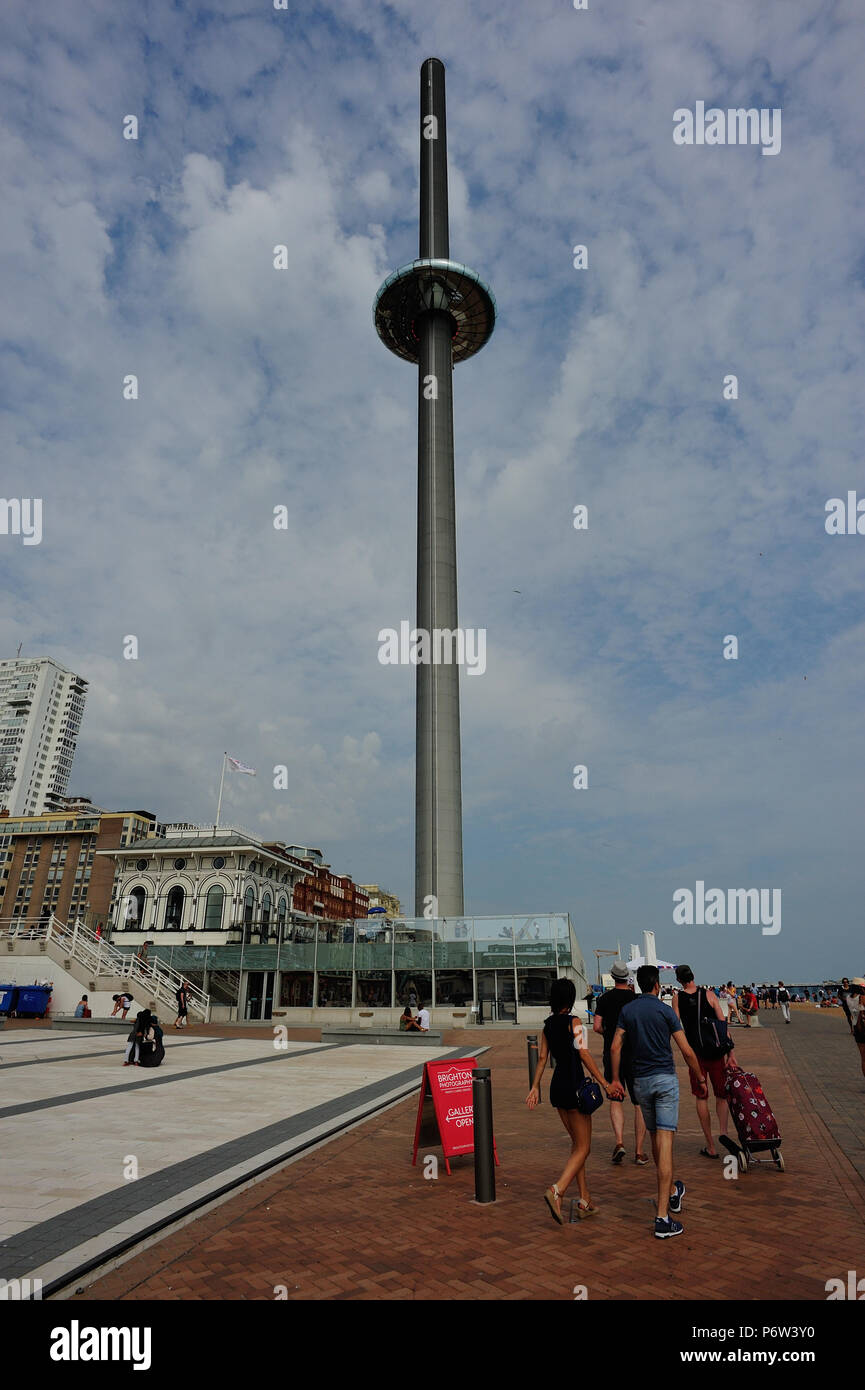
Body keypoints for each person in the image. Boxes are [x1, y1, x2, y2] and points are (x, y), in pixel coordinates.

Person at [610, 964, 708, 1239]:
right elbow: (686, 1050)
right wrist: (700, 1077)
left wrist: (616, 1079)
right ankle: (662, 1218)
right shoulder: (665, 1011)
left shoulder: (628, 1011)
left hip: (640, 1082)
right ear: (656, 985)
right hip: (664, 1080)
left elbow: (615, 1046)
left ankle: (673, 1191)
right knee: (665, 1144)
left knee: (656, 1140)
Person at [526, 977, 621, 1224]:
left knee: (577, 1146)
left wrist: (535, 1086)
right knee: (584, 1147)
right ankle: (557, 1191)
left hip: (557, 1088)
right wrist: (605, 1083)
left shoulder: (547, 1025)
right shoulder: (575, 1022)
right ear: (569, 999)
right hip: (575, 1086)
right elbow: (584, 1055)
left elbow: (543, 1059)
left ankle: (585, 1200)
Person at [672, 966, 736, 1159]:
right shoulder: (709, 995)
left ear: (679, 980)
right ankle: (723, 1134)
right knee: (721, 1096)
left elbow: (676, 1026)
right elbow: (722, 1026)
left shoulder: (677, 998)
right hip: (716, 1053)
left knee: (701, 1096)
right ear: (693, 976)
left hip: (695, 1055)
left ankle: (710, 1146)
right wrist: (731, 1053)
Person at [593, 962, 648, 1165]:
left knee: (615, 1098)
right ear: (627, 978)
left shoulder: (604, 999)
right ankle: (640, 1151)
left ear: (613, 977)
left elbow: (597, 1026)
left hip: (611, 1053)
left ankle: (619, 1142)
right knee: (638, 1103)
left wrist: (608, 1034)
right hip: (634, 1054)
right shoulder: (635, 999)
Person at [847, 978, 865, 1079]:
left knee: (863, 1058)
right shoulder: (863, 997)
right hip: (864, 1028)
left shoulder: (849, 998)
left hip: (857, 1030)